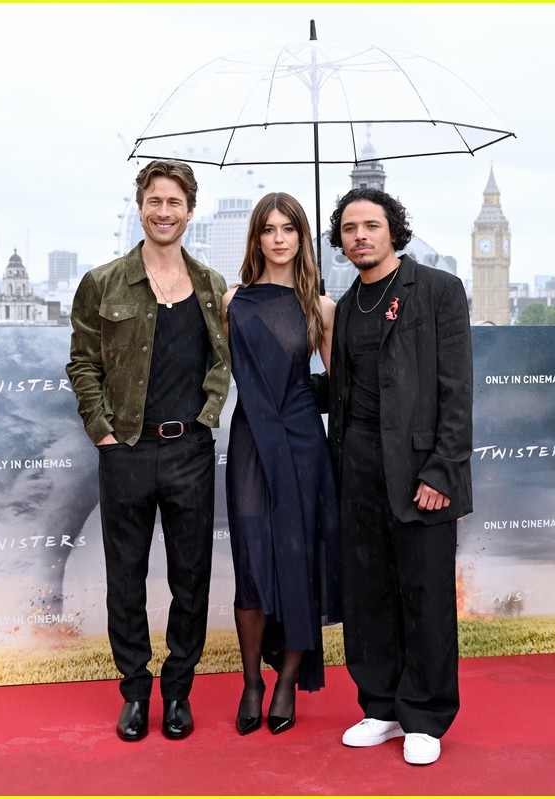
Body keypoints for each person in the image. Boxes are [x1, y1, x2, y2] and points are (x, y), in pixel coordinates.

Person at [66, 159, 230, 743]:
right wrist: (103, 432)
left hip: (190, 450)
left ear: (190, 211)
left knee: (192, 577)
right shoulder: (103, 282)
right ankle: (135, 691)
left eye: (174, 202)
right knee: (126, 577)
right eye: (154, 201)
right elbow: (82, 363)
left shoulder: (212, 286)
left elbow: (222, 361)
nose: (164, 212)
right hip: (127, 451)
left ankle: (178, 690)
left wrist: (207, 417)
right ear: (141, 209)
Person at [325, 187, 473, 766]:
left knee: (425, 594)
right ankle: (381, 706)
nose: (360, 236)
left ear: (394, 231)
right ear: (340, 240)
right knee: (368, 594)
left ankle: (425, 716)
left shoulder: (437, 290)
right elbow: (343, 392)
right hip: (356, 464)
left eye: (371, 225)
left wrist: (442, 469)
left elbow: (456, 390)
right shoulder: (345, 305)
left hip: (420, 469)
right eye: (349, 228)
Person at [221, 192, 340, 737]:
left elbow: (338, 386)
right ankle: (251, 682)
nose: (278, 238)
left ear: (301, 237)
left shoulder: (321, 307)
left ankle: (287, 681)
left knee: (298, 558)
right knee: (251, 559)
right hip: (250, 439)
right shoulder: (232, 301)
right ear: (256, 237)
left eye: (288, 228)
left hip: (302, 443)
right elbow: (234, 372)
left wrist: (303, 392)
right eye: (268, 229)